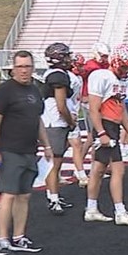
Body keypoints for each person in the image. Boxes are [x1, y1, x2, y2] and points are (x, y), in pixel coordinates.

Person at [0, 51, 54, 255]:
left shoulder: (35, 90)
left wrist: (47, 145)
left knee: (24, 196)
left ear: (33, 68)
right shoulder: (5, 90)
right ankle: (1, 240)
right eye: (20, 66)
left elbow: (38, 120)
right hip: (9, 150)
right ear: (13, 68)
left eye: (27, 66)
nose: (24, 70)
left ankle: (19, 236)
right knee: (8, 194)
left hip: (29, 151)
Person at [83, 44, 128, 226]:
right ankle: (119, 211)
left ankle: (93, 209)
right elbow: (94, 109)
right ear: (116, 63)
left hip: (113, 128)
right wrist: (101, 133)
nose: (125, 71)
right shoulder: (102, 76)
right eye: (124, 66)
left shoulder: (119, 80)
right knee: (115, 170)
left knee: (99, 170)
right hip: (106, 126)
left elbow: (120, 107)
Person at [40, 42, 79, 215]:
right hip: (55, 123)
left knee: (56, 163)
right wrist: (71, 121)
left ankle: (53, 195)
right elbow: (61, 105)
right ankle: (53, 198)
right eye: (66, 56)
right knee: (54, 164)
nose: (69, 59)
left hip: (55, 123)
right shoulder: (58, 76)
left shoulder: (58, 74)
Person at [67, 52, 92, 187]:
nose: (83, 68)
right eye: (80, 65)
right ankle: (81, 174)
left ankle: (56, 173)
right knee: (76, 144)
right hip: (66, 115)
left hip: (72, 112)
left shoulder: (78, 78)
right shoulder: (70, 78)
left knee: (65, 146)